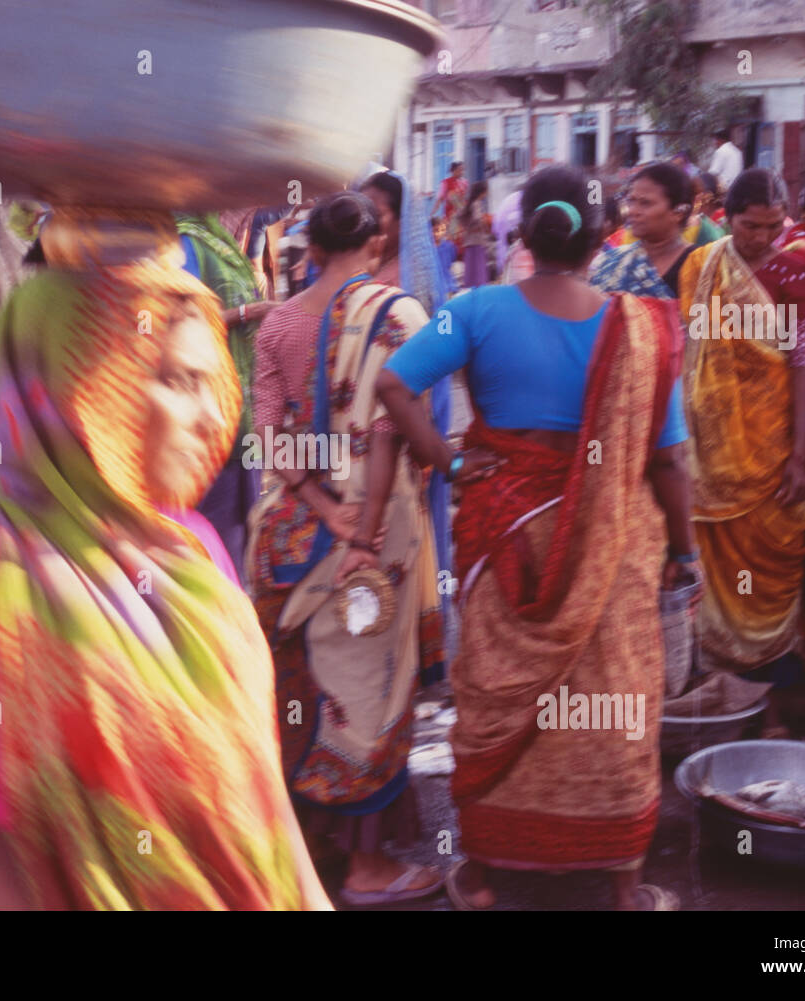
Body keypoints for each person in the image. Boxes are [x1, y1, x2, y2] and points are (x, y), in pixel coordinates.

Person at [0, 0, 329, 910]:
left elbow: (269, 825)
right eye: (173, 378)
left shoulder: (195, 553)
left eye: (213, 381)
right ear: (68, 384)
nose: (213, 414)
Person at [378, 166, 697, 911]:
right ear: (599, 240)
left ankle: (485, 876)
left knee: (497, 694)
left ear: (522, 235)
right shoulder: (642, 329)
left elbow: (395, 386)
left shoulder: (476, 307)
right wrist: (685, 554)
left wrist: (449, 460)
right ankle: (622, 882)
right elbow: (671, 459)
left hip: (503, 532)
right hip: (612, 538)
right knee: (613, 695)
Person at [246, 191, 443, 905]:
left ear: (317, 246)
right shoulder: (400, 315)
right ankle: (366, 870)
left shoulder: (277, 324)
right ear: (377, 238)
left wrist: (322, 507)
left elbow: (269, 438)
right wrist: (443, 459)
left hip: (286, 531)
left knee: (293, 690)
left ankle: (306, 846)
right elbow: (397, 423)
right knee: (368, 693)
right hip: (371, 535)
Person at [677, 168, 805, 680]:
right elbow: (688, 353)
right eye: (749, 226)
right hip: (711, 449)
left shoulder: (796, 273)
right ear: (727, 218)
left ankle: (772, 691)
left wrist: (799, 453)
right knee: (713, 564)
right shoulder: (701, 265)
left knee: (771, 564)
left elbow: (804, 358)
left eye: (772, 226)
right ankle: (718, 679)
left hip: (771, 444)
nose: (761, 239)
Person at [361, 169, 455, 674]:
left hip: (407, 415)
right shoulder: (354, 263)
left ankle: (419, 645)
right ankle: (368, 626)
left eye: (378, 214)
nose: (368, 223)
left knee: (411, 526)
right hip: (356, 422)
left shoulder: (416, 276)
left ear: (402, 219)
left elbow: (435, 358)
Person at [176, 212, 276, 576]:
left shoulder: (223, 245)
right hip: (206, 415)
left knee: (239, 539)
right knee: (211, 548)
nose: (247, 214)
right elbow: (177, 319)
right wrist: (250, 312)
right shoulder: (188, 243)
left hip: (240, 414)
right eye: (240, 205)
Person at [591, 161, 694, 299]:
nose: (632, 211)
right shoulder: (609, 263)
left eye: (645, 203)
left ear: (678, 212)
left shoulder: (702, 268)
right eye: (631, 201)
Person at [459, 179, 491, 288]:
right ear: (482, 192)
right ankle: (479, 290)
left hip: (469, 240)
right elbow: (478, 219)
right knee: (478, 269)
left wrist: (468, 227)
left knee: (470, 269)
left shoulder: (469, 204)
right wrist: (483, 225)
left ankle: (470, 288)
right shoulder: (477, 204)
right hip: (477, 239)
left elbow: (459, 216)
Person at [434, 161, 468, 243]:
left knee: (462, 238)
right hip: (451, 216)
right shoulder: (445, 183)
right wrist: (433, 212)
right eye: (460, 170)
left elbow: (464, 199)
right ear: (453, 171)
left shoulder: (465, 182)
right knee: (452, 238)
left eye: (463, 170)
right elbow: (440, 199)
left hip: (462, 215)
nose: (462, 172)